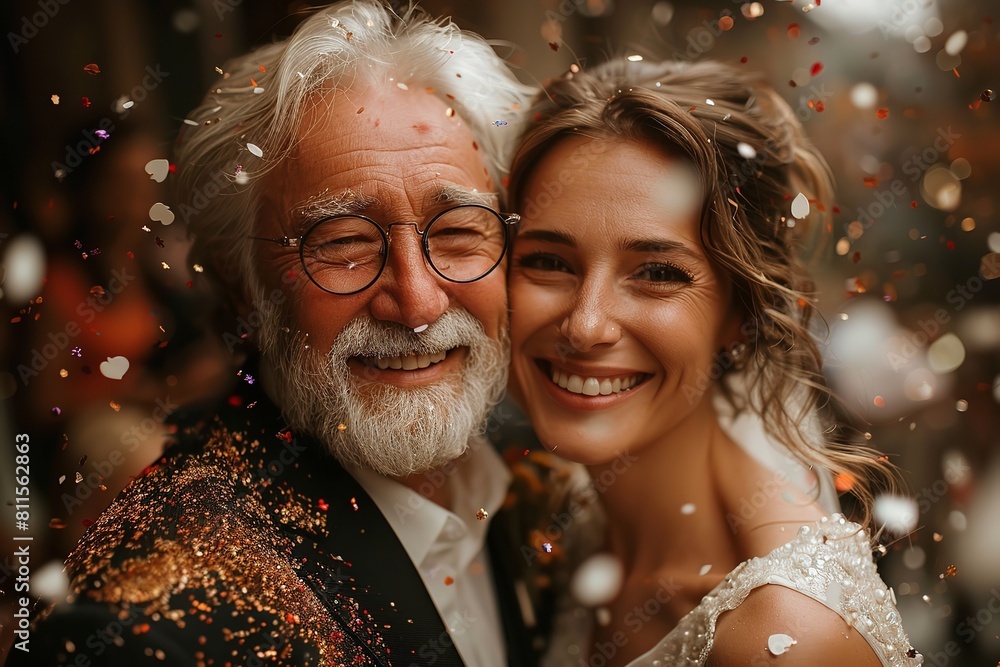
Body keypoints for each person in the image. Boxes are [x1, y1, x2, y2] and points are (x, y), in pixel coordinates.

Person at [14, 2, 540, 665]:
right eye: (344, 243)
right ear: (246, 290)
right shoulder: (149, 628)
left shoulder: (539, 481)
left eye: (459, 232)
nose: (417, 301)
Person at [505, 59, 922, 666]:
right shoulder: (568, 525)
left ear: (740, 312)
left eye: (657, 273)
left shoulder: (786, 636)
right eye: (548, 262)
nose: (585, 325)